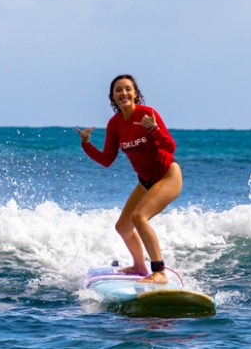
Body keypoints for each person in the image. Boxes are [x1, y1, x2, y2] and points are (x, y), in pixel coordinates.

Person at [77, 74, 183, 284]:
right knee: (123, 227)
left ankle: (159, 272)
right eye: (118, 90)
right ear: (112, 96)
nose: (123, 93)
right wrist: (87, 143)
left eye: (127, 89)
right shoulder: (115, 124)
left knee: (139, 217)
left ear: (135, 93)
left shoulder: (147, 114)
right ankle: (139, 266)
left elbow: (170, 147)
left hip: (168, 175)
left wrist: (152, 129)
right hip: (145, 181)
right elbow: (107, 159)